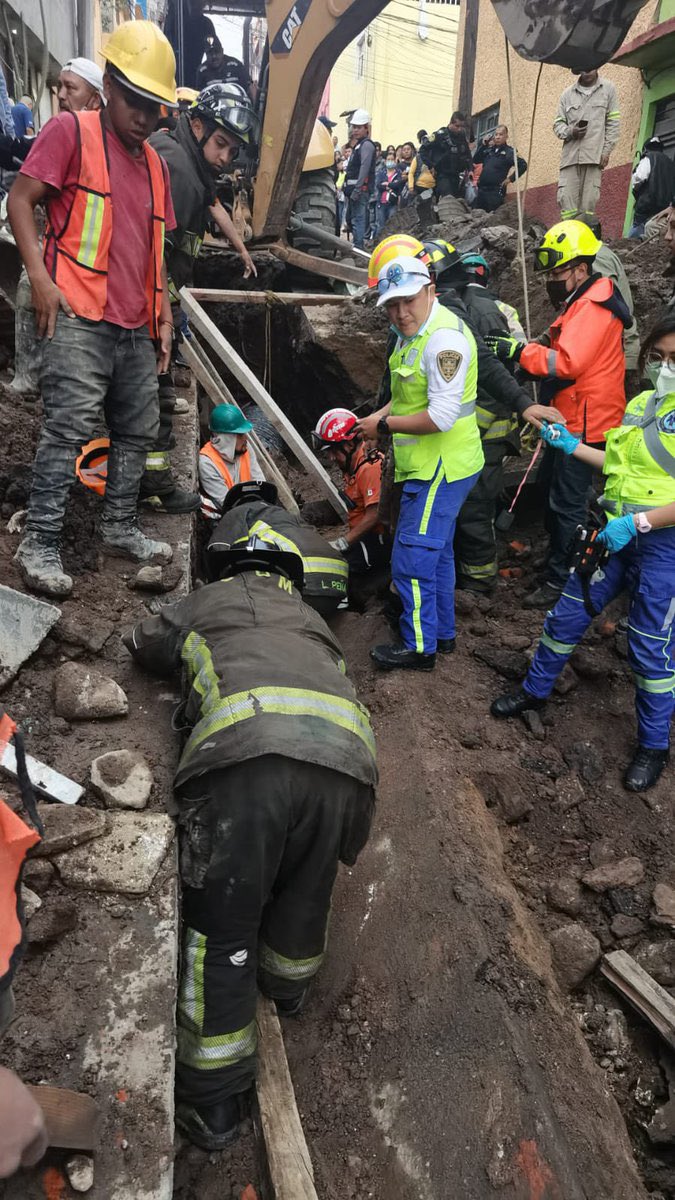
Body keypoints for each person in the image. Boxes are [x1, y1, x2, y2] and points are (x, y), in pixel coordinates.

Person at [123, 537, 376, 1149]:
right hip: (349, 759)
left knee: (222, 929)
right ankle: (287, 990)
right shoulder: (313, 620)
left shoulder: (204, 601)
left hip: (246, 756)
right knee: (306, 886)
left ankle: (213, 1104)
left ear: (223, 568)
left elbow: (143, 644)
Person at [8, 20, 178, 598]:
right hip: (80, 313)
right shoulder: (70, 132)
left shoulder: (155, 165)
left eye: (155, 106)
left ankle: (120, 527)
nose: (145, 115)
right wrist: (39, 277)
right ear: (109, 85)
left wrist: (164, 314)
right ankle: (41, 542)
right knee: (68, 429)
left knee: (137, 431)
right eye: (135, 100)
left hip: (135, 323)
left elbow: (154, 247)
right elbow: (20, 198)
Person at [491, 311, 675, 794]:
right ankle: (533, 693)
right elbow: (613, 459)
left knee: (650, 647)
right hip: (614, 537)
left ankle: (654, 746)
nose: (664, 366)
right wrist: (570, 445)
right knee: (566, 617)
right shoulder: (642, 405)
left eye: (674, 358)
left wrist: (638, 522)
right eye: (658, 356)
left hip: (661, 547)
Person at [485, 219, 630, 610]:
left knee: (567, 502)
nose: (552, 279)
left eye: (557, 272)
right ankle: (563, 558)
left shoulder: (593, 306)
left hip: (586, 420)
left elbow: (567, 362)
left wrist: (518, 352)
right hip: (574, 415)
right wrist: (533, 350)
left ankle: (563, 578)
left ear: (581, 268)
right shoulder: (583, 302)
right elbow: (559, 345)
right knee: (558, 493)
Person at [356, 255, 483, 670]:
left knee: (411, 559)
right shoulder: (412, 334)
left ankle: (419, 648)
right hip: (427, 463)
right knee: (439, 553)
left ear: (430, 290)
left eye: (408, 301)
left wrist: (384, 426)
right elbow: (411, 391)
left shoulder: (445, 342)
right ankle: (442, 634)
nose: (400, 312)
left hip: (439, 467)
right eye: (392, 305)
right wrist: (380, 415)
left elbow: (442, 415)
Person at [144, 81, 259, 513]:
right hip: (151, 296)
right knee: (152, 392)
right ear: (196, 124)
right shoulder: (178, 169)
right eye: (221, 144)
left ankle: (149, 478)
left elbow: (214, 204)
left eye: (231, 151)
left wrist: (242, 247)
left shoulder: (191, 162)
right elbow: (155, 251)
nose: (225, 158)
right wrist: (166, 317)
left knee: (154, 388)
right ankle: (153, 484)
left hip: (160, 293)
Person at [206, 480, 349, 615]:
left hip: (302, 590)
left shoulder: (237, 513)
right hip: (338, 588)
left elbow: (218, 550)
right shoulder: (289, 517)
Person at [312, 408, 388, 577]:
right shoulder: (353, 466)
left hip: (379, 541)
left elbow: (374, 514)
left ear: (348, 444)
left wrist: (343, 542)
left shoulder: (370, 467)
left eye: (333, 451)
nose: (331, 458)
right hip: (365, 537)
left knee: (335, 572)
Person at [553, 67, 620, 220]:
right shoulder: (567, 94)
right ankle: (568, 242)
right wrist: (571, 132)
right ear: (578, 70)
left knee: (587, 210)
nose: (588, 70)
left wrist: (606, 151)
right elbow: (557, 124)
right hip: (570, 159)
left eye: (591, 66)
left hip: (594, 158)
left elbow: (613, 124)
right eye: (584, 67)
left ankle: (583, 242)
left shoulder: (608, 89)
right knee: (567, 208)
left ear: (598, 66)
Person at [580, 216, 640, 383]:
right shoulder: (603, 253)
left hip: (616, 351)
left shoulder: (596, 257)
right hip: (622, 347)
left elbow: (609, 304)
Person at [199, 403, 264, 519]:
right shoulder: (207, 462)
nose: (245, 438)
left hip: (253, 510)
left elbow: (260, 484)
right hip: (228, 518)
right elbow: (226, 503)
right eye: (240, 435)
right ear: (226, 439)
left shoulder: (246, 449)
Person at [471, 125, 527, 213]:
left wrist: (510, 179)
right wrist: (483, 145)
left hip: (495, 192)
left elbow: (523, 165)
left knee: (492, 219)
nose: (497, 137)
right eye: (496, 134)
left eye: (500, 134)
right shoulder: (489, 150)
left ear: (506, 136)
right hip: (482, 191)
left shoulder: (510, 152)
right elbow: (476, 160)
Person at [630, 137, 675, 239]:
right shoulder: (671, 163)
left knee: (636, 232)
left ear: (645, 149)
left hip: (646, 204)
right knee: (655, 232)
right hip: (665, 206)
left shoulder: (648, 157)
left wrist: (636, 191)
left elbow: (639, 178)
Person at [420, 112, 472, 199]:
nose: (459, 129)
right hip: (443, 175)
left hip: (457, 176)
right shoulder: (440, 135)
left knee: (456, 203)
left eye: (461, 127)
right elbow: (423, 150)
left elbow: (467, 154)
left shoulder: (461, 137)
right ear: (450, 123)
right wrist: (430, 166)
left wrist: (470, 169)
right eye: (457, 126)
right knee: (448, 200)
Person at [164, 0, 216, 88]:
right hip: (173, 73)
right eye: (193, 2)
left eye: (199, 3)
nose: (196, 5)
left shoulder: (206, 24)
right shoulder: (175, 21)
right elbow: (167, 43)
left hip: (195, 73)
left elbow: (212, 46)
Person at [344, 109, 376, 250]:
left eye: (358, 127)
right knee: (352, 219)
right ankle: (357, 246)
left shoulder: (366, 145)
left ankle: (358, 248)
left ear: (366, 128)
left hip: (360, 191)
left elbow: (364, 167)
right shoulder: (358, 145)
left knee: (358, 219)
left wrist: (357, 189)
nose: (355, 130)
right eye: (354, 127)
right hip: (353, 190)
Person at [197, 35, 256, 103]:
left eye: (216, 52)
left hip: (238, 108)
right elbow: (199, 97)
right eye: (210, 53)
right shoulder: (202, 71)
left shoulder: (235, 65)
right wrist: (193, 107)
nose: (214, 56)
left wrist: (256, 108)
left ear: (222, 51)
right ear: (206, 54)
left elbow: (251, 87)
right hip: (213, 110)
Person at [375, 150, 403, 232]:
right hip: (381, 202)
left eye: (392, 159)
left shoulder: (398, 173)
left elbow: (398, 185)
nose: (390, 161)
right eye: (388, 159)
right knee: (381, 226)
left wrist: (387, 184)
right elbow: (379, 185)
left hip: (392, 203)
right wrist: (389, 186)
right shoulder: (381, 173)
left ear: (395, 160)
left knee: (392, 226)